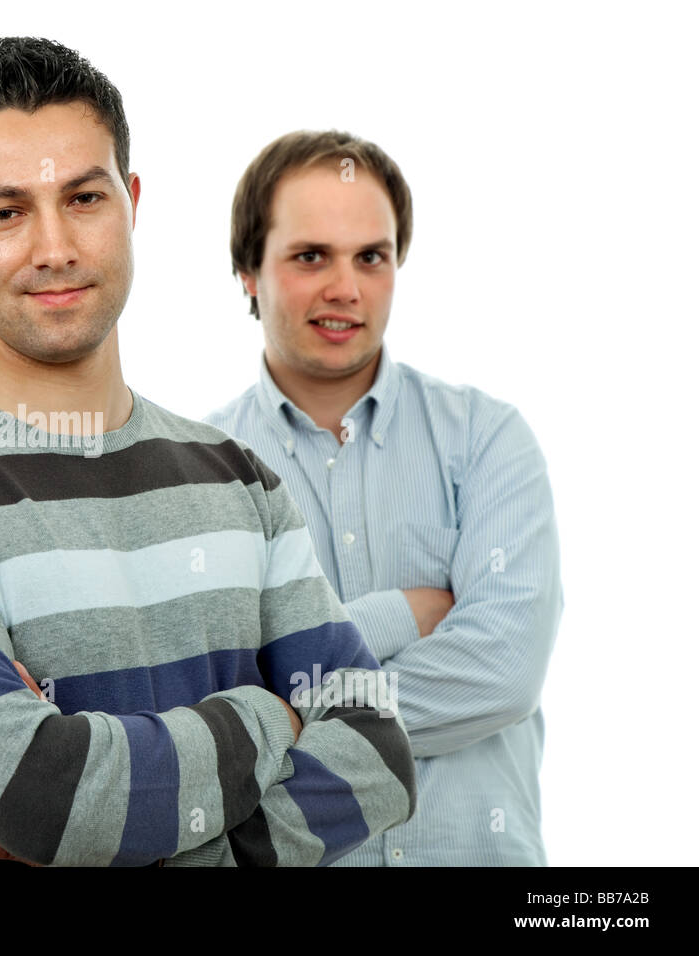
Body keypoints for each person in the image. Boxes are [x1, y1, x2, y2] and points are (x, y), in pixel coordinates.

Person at [0, 38, 415, 867]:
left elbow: (378, 752)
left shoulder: (238, 477)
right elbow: (48, 800)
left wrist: (136, 831)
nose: (55, 247)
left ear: (132, 201)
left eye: (84, 198)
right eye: (4, 211)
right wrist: (268, 715)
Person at [206, 130, 562, 865]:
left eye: (371, 256)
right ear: (248, 270)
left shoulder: (488, 440)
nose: (346, 288)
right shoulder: (199, 473)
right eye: (311, 257)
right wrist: (399, 614)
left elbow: (503, 672)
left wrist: (286, 707)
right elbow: (203, 706)